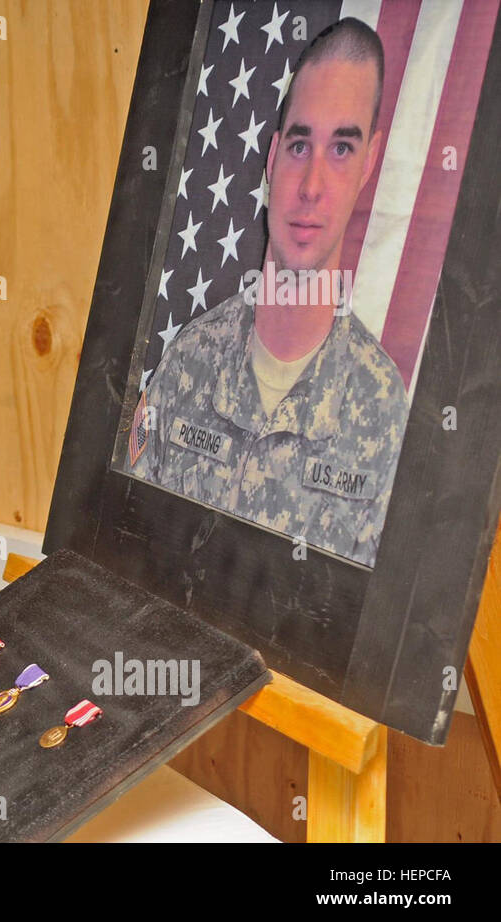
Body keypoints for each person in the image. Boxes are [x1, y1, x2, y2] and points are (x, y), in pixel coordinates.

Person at [129, 18, 408, 567]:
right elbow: (126, 563)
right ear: (273, 156)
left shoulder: (385, 416)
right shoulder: (189, 362)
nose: (311, 186)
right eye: (301, 146)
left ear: (370, 163)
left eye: (342, 149)